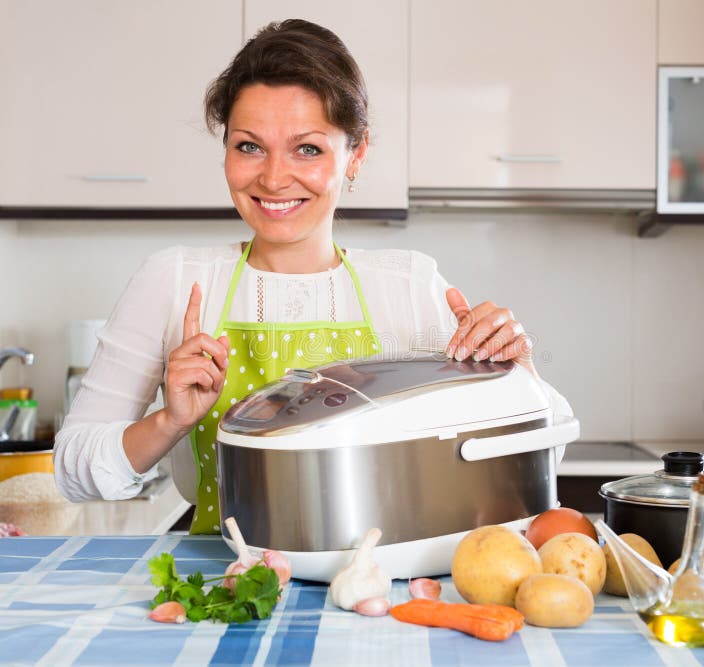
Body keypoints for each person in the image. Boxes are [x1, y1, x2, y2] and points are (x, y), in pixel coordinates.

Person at [54, 19, 568, 534]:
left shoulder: (408, 287)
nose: (274, 178)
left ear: (356, 154)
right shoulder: (175, 281)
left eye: (308, 149)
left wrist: (520, 374)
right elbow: (73, 470)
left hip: (380, 590)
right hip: (227, 590)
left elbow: (539, 449)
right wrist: (170, 421)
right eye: (249, 146)